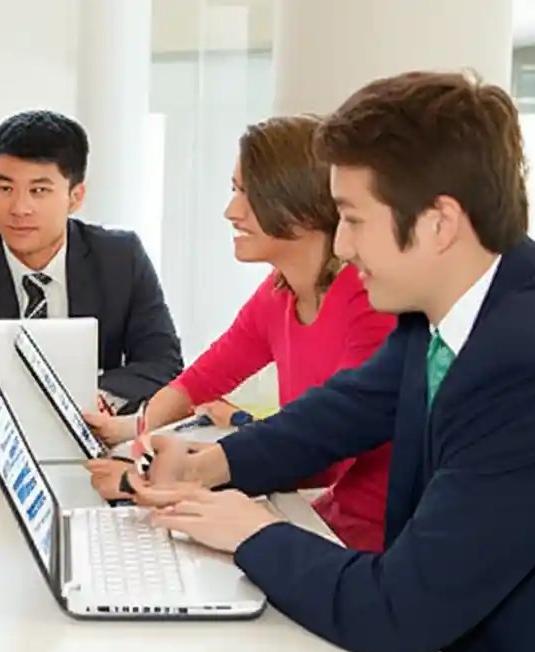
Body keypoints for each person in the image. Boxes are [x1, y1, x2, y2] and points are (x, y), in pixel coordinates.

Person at [136, 72, 535, 652]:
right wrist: (214, 466)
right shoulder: (466, 302)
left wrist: (252, 532)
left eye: (352, 219)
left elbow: (402, 607)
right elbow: (348, 407)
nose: (340, 245)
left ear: (438, 223)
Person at [83, 115, 396, 552]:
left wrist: (180, 472)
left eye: (247, 194)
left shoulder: (368, 301)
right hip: (320, 514)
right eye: (235, 191)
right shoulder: (278, 292)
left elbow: (328, 445)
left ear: (300, 202)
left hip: (365, 542)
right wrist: (134, 433)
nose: (232, 211)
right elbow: (205, 376)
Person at [0, 109, 182, 414]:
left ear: (75, 196)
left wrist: (92, 398)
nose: (20, 208)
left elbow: (163, 362)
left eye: (39, 191)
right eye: (5, 188)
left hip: (96, 435)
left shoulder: (120, 258)